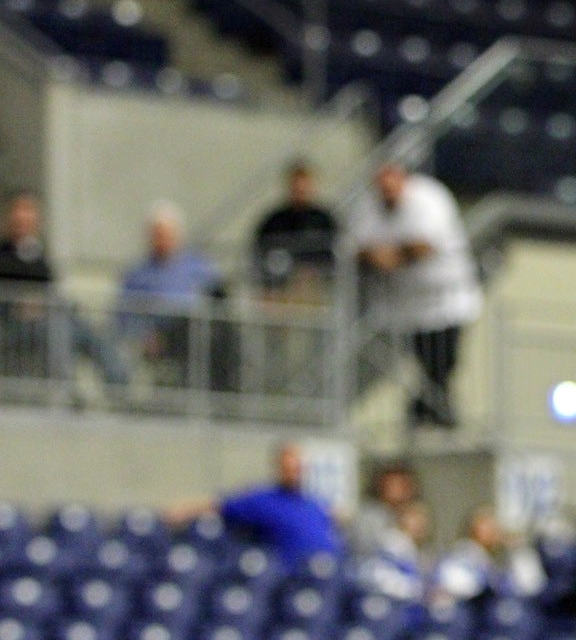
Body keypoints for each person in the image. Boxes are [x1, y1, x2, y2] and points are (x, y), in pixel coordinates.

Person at [347, 163, 481, 428]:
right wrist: (376, 256)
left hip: (447, 301)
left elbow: (426, 244)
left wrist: (392, 256)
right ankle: (429, 413)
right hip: (407, 307)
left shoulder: (430, 198)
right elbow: (353, 246)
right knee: (424, 364)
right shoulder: (368, 207)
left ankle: (430, 413)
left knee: (444, 363)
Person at [0, 191, 130, 386]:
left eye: (29, 212)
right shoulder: (4, 255)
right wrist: (18, 306)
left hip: (47, 316)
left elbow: (51, 290)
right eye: (19, 212)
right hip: (15, 326)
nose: (23, 218)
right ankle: (65, 389)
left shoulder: (39, 256)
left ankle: (119, 385)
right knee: (58, 330)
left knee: (89, 331)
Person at [165, 441, 344, 569]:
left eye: (299, 468)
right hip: (294, 576)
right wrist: (182, 511)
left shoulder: (315, 502)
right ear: (280, 468)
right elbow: (220, 505)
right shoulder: (263, 500)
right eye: (291, 467)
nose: (296, 473)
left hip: (331, 572)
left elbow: (335, 518)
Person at [116, 202, 224, 387]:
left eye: (166, 235)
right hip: (159, 334)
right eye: (157, 236)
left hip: (196, 330)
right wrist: (142, 336)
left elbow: (219, 295)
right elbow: (125, 313)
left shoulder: (198, 267)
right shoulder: (138, 274)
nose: (162, 241)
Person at [252, 160, 338, 301]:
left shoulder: (324, 220)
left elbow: (334, 253)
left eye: (303, 188)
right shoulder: (274, 221)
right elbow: (260, 251)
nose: (300, 193)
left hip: (315, 285)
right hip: (280, 286)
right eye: (296, 188)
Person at [431, 505, 547, 605]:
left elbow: (532, 586)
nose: (494, 530)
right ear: (472, 529)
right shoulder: (461, 555)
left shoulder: (498, 560)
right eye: (487, 525)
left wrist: (518, 550)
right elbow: (460, 587)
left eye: (495, 525)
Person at [350, 461, 422, 558]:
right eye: (392, 483)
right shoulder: (370, 516)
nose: (397, 489)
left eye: (403, 483)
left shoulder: (415, 513)